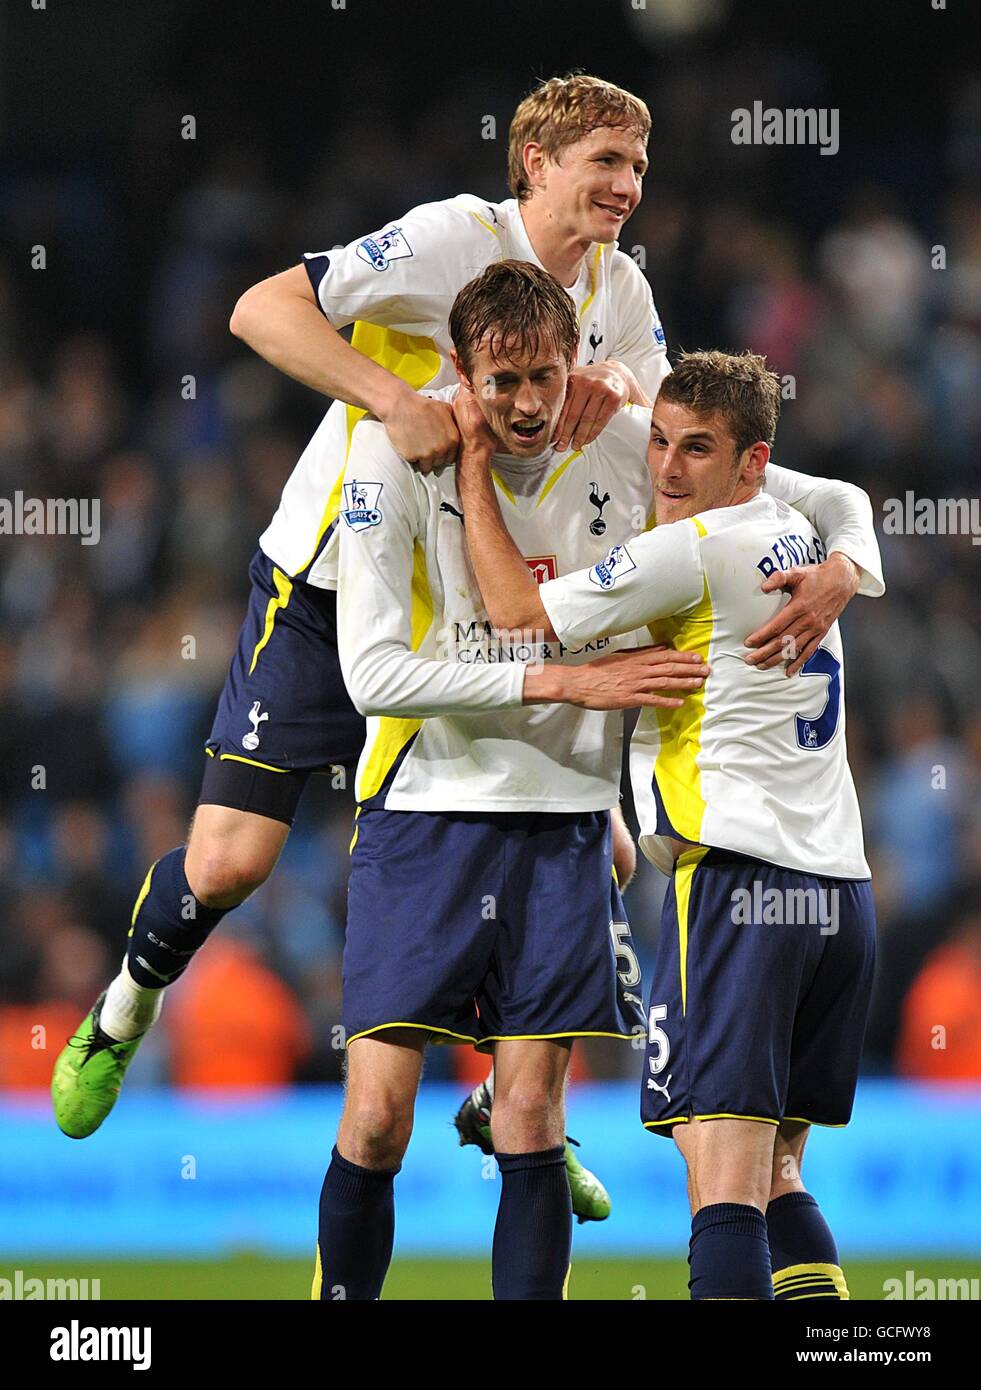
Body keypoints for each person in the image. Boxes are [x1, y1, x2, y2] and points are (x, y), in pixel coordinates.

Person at [51, 74, 671, 1221]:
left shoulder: (619, 289)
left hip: (476, 609)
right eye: (606, 163)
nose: (629, 187)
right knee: (231, 863)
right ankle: (127, 1005)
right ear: (533, 164)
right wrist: (392, 396)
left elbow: (666, 424)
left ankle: (515, 1102)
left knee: (601, 854)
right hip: (335, 581)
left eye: (638, 165)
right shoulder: (445, 241)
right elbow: (259, 311)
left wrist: (627, 381)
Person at [454, 347, 884, 1301]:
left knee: (718, 1187)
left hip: (738, 888)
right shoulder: (798, 534)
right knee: (774, 1173)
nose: (664, 469)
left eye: (696, 449)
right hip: (840, 898)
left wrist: (473, 466)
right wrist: (850, 569)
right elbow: (848, 495)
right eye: (657, 441)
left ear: (750, 462)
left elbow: (516, 612)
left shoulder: (690, 551)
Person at [319, 261, 709, 1301]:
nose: (528, 404)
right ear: (458, 369)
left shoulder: (633, 454)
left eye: (545, 376)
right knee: (377, 1115)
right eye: (502, 384)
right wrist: (563, 683)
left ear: (579, 357)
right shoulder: (389, 454)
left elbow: (754, 520)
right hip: (424, 806)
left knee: (531, 1114)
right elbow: (370, 674)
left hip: (567, 823)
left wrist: (844, 556)